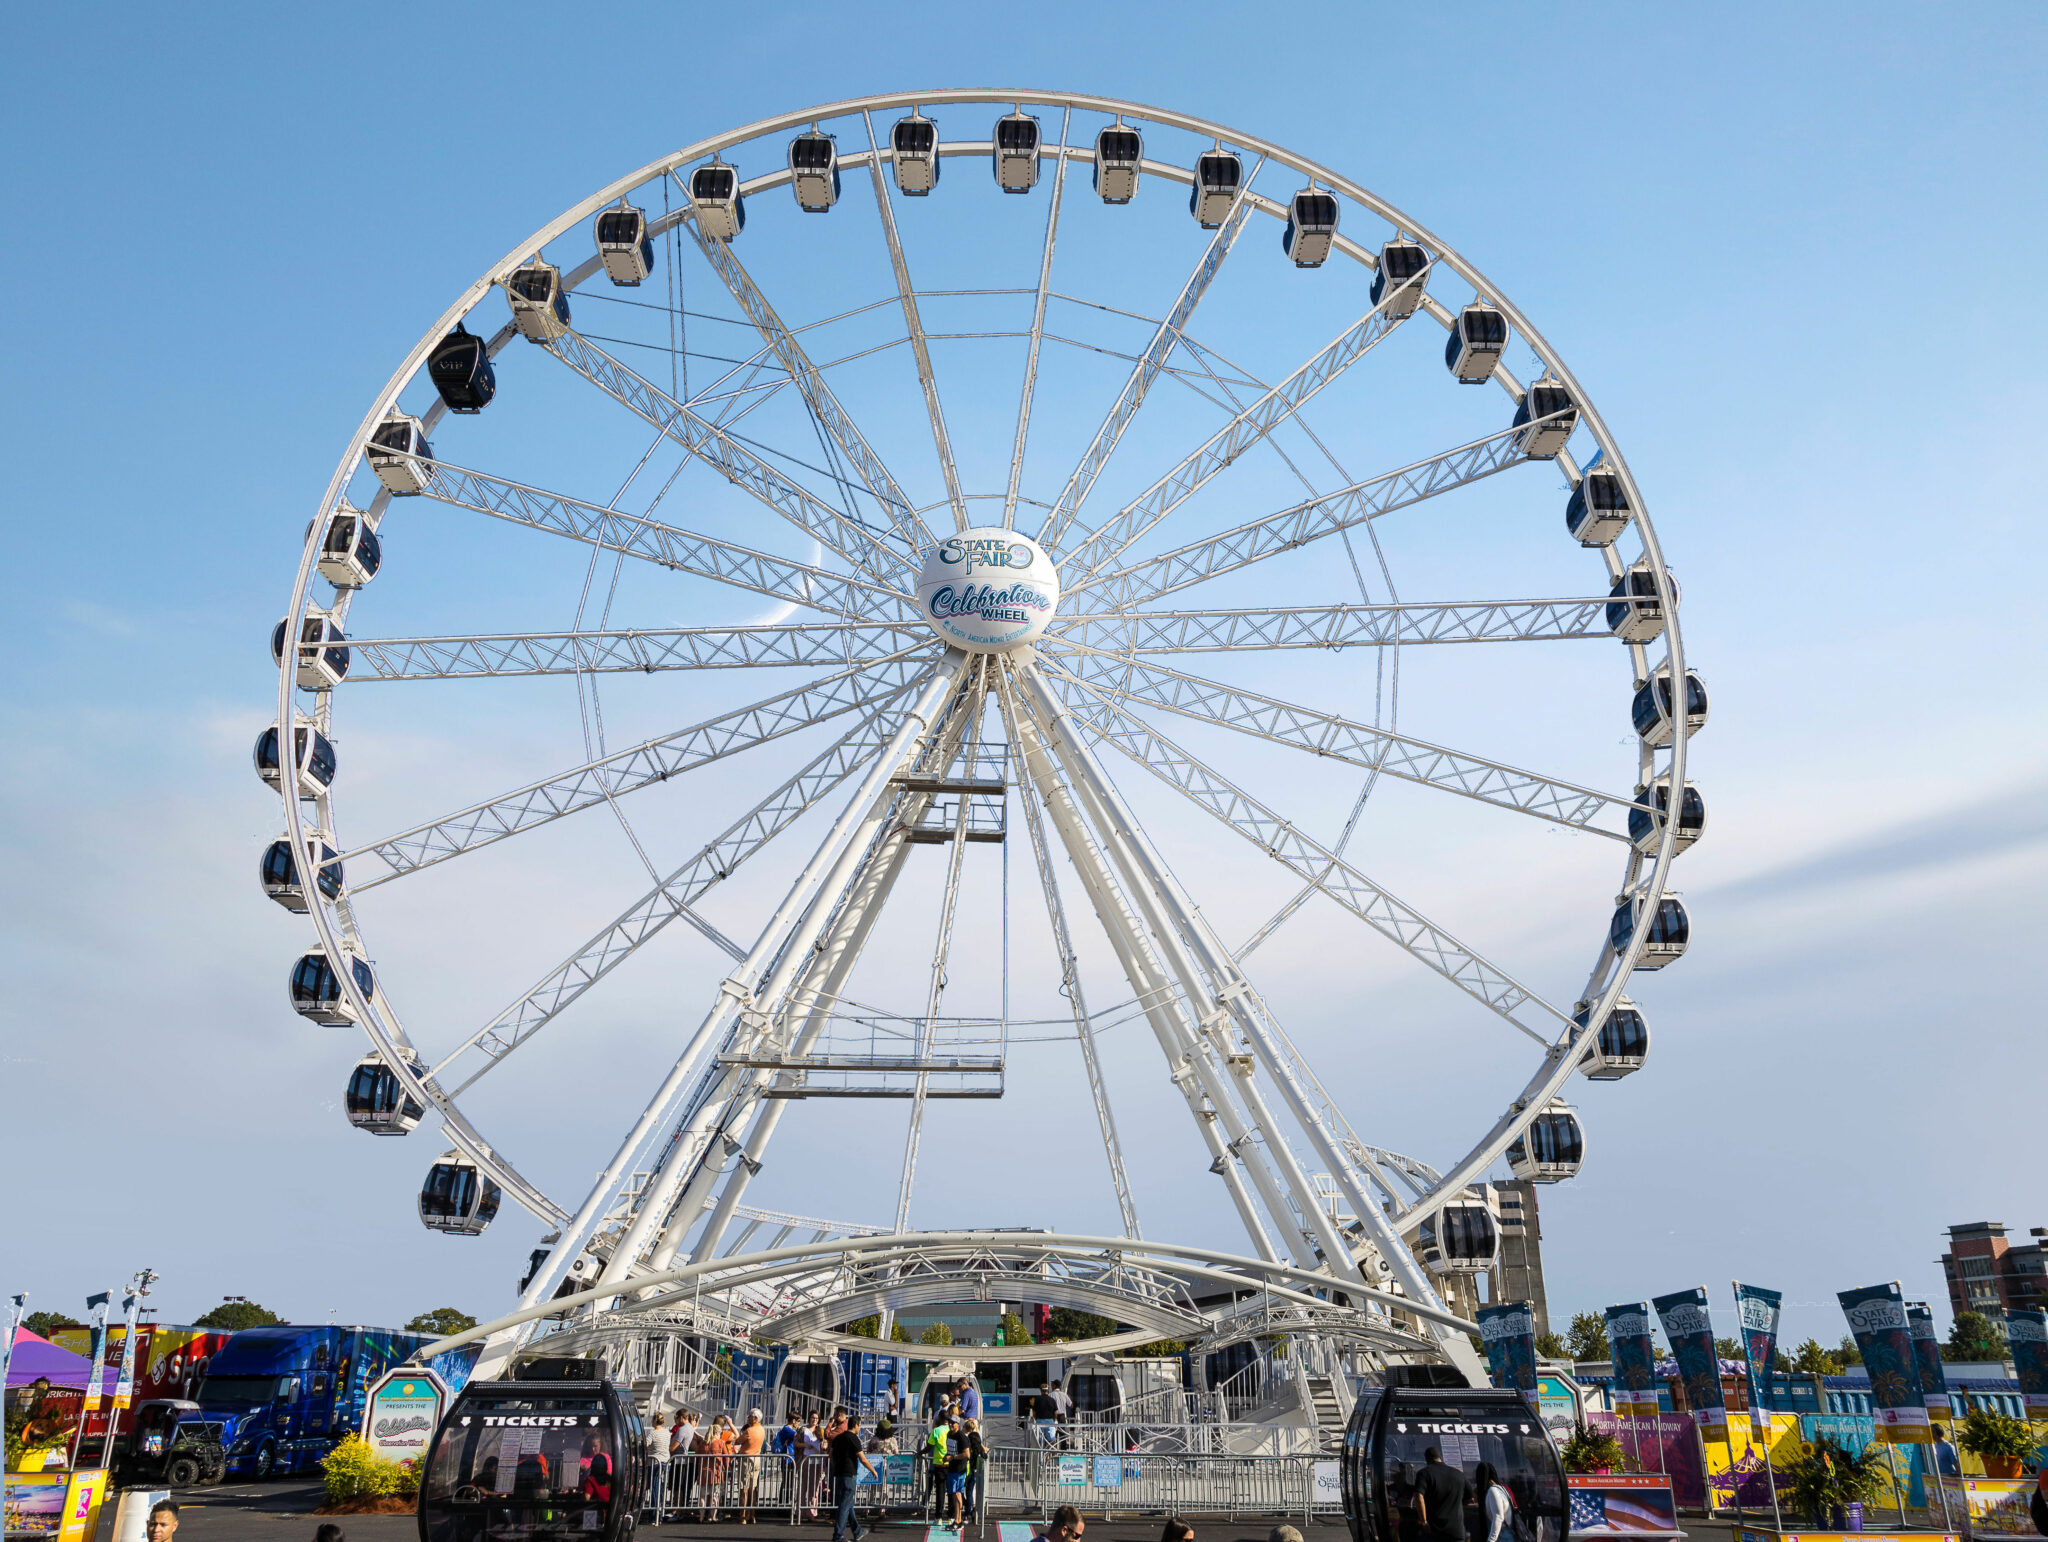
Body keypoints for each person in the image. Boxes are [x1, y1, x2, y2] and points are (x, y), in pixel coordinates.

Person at [828, 1411, 880, 1542]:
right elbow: (862, 1458)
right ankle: (838, 1535)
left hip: (839, 1474)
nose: (860, 1428)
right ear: (855, 1425)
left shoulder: (838, 1438)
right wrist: (873, 1470)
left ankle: (858, 1531)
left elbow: (831, 1454)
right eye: (860, 1425)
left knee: (848, 1504)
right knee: (844, 1507)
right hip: (849, 1474)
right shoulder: (854, 1439)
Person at [1416, 1447, 1470, 1542]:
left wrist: (1424, 1522)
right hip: (1457, 1532)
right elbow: (1471, 1497)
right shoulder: (1458, 1474)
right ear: (1440, 1458)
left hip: (1435, 1532)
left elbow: (1418, 1496)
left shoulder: (1424, 1473)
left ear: (1427, 1460)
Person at [738, 1409, 767, 1522]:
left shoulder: (749, 1431)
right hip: (757, 1459)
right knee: (752, 1488)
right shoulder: (762, 1430)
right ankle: (752, 1515)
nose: (748, 1418)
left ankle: (743, 1516)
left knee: (743, 1488)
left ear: (755, 1418)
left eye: (749, 1416)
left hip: (746, 1459)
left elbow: (738, 1441)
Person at [1474, 1462, 1514, 1542]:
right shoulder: (1501, 1489)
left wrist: (1491, 1540)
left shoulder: (1493, 1491)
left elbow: (1498, 1517)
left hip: (1501, 1537)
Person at [943, 1415, 971, 1529]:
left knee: (957, 1493)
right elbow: (951, 1450)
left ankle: (958, 1520)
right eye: (949, 1422)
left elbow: (967, 1454)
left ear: (958, 1424)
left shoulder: (961, 1437)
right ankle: (956, 1519)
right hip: (951, 1469)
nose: (950, 1424)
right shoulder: (949, 1434)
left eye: (953, 1423)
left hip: (959, 1470)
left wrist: (952, 1457)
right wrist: (947, 1457)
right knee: (953, 1494)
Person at [959, 1417, 987, 1526]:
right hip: (974, 1469)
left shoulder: (965, 1439)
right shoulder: (977, 1439)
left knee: (959, 1490)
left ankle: (966, 1509)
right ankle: (969, 1511)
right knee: (970, 1491)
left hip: (965, 1469)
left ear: (966, 1428)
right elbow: (982, 1452)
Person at [672, 1409, 698, 1520]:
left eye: (676, 1418)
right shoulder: (690, 1428)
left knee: (677, 1487)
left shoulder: (682, 1430)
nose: (676, 1421)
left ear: (681, 1417)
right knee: (680, 1486)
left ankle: (677, 1510)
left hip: (679, 1461)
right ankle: (679, 1510)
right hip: (684, 1460)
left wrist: (666, 1449)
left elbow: (673, 1446)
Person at [924, 1415, 950, 1515]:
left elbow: (929, 1447)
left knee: (940, 1491)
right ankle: (952, 1516)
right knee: (952, 1491)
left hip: (939, 1464)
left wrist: (920, 1453)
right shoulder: (951, 1430)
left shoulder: (936, 1431)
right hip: (951, 1463)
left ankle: (938, 1516)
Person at [648, 1413, 668, 1521]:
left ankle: (654, 1516)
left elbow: (645, 1445)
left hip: (655, 1462)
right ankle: (659, 1514)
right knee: (661, 1490)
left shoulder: (653, 1433)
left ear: (655, 1420)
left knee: (655, 1489)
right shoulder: (667, 1432)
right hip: (666, 1462)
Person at [1027, 1383, 1059, 1448]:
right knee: (1052, 1440)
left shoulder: (1037, 1400)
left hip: (1040, 1421)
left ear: (1041, 1390)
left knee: (1039, 1440)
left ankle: (1040, 1455)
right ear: (1048, 1390)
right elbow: (1055, 1412)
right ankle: (1052, 1455)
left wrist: (1036, 1419)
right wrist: (1054, 1420)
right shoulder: (1052, 1400)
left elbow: (1034, 1413)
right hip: (1050, 1422)